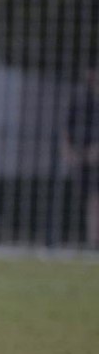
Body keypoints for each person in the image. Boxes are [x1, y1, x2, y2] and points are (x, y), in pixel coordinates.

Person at [65, 65, 99, 248]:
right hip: (85, 159)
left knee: (95, 200)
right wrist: (69, 152)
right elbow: (67, 128)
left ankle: (94, 240)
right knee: (91, 200)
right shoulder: (80, 100)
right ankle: (93, 241)